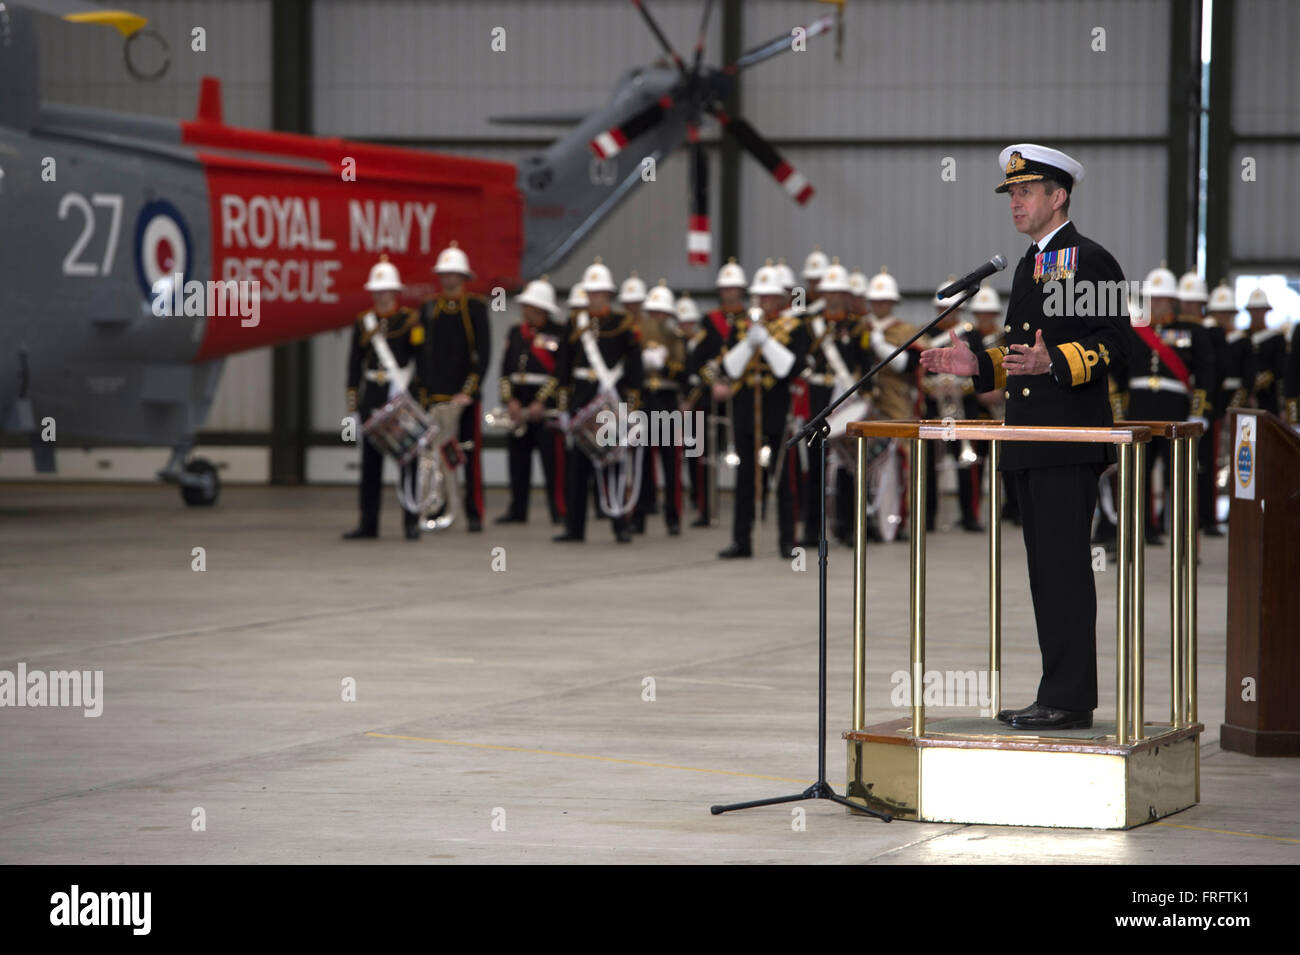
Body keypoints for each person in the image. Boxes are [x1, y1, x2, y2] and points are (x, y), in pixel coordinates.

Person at [921, 144, 1129, 732]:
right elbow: (1021, 357)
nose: (1015, 202)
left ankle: (1069, 699)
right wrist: (976, 368)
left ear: (1058, 196)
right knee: (1044, 571)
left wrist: (1056, 362)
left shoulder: (1091, 260)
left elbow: (1116, 345)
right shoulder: (1027, 265)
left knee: (1063, 569)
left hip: (1066, 440)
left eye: (1025, 192)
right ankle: (1056, 692)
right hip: (1028, 440)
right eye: (1011, 193)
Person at [717, 262, 810, 559]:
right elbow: (728, 367)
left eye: (770, 296)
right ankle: (741, 540)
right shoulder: (742, 325)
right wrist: (750, 340)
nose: (764, 301)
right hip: (746, 406)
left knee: (783, 477)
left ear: (782, 298)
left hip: (778, 407)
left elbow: (791, 368)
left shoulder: (796, 327)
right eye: (760, 296)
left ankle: (787, 540)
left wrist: (766, 341)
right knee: (745, 477)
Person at [552, 257, 643, 544]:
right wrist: (564, 406)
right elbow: (563, 369)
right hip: (581, 402)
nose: (595, 297)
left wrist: (630, 404)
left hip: (611, 403)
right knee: (577, 469)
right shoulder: (574, 324)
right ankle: (574, 528)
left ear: (609, 294)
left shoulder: (622, 325)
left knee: (614, 466)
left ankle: (620, 524)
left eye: (600, 292)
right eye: (591, 292)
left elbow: (635, 368)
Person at [1122, 264, 1214, 544]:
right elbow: (1117, 374)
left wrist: (1199, 411)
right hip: (1138, 409)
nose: (1157, 304)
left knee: (1178, 476)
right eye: (1153, 298)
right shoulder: (1133, 331)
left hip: (1175, 410)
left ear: (1173, 301)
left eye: (1163, 299)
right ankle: (1142, 530)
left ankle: (1182, 533)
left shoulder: (1191, 332)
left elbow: (1207, 374)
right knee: (1138, 473)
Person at [343, 256, 432, 541]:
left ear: (395, 293)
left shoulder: (410, 320)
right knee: (370, 466)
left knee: (409, 461)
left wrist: (419, 400)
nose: (381, 295)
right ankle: (368, 523)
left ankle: (411, 521)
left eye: (386, 290)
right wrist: (354, 406)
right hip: (373, 397)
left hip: (401, 396)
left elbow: (422, 362)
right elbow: (353, 366)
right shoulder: (363, 322)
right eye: (377, 291)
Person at [423, 241, 491, 532]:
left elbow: (482, 352)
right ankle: (436, 508)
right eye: (444, 273)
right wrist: (424, 392)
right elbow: (423, 354)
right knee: (433, 457)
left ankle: (474, 512)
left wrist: (469, 390)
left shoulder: (475, 307)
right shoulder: (429, 308)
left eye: (453, 274)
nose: (448, 279)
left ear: (463, 277)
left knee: (469, 454)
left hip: (464, 397)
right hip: (434, 396)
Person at [495, 277, 566, 526]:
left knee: (553, 463)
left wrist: (541, 402)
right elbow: (504, 371)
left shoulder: (558, 333)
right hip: (518, 405)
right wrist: (510, 400)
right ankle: (517, 509)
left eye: (533, 307)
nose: (528, 311)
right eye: (526, 306)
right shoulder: (515, 333)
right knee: (517, 462)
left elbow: (559, 373)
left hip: (544, 408)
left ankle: (559, 510)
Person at [859, 267, 923, 542]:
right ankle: (865, 520)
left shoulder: (904, 330)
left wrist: (880, 345)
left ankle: (896, 519)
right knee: (864, 463)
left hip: (896, 405)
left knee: (899, 464)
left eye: (885, 301)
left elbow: (909, 364)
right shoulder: (859, 327)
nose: (880, 305)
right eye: (876, 300)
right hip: (865, 404)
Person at [922, 277, 984, 533]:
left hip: (965, 407)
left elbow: (982, 369)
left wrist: (960, 387)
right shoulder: (927, 334)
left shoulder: (971, 334)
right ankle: (928, 517)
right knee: (929, 466)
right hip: (934, 407)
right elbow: (920, 373)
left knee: (967, 465)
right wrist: (933, 388)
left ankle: (970, 516)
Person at [630, 280, 686, 535]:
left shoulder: (675, 337)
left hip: (666, 400)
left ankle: (672, 517)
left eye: (660, 313)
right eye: (653, 312)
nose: (656, 317)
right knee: (640, 461)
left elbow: (684, 372)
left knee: (670, 462)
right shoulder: (635, 332)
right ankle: (639, 514)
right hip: (643, 400)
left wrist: (664, 365)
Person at [1180, 272, 1226, 535]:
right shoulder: (1180, 330)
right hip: (1181, 405)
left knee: (1206, 465)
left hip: (1207, 407)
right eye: (1185, 303)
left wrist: (1201, 408)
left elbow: (1212, 373)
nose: (1189, 308)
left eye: (1193, 303)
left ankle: (1208, 517)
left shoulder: (1212, 332)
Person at [1247, 287, 1285, 414]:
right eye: (1254, 310)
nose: (1257, 314)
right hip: (1245, 396)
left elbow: (1281, 366)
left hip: (1269, 397)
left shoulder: (1276, 338)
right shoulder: (1243, 338)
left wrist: (1265, 378)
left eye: (1260, 310)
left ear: (1266, 311)